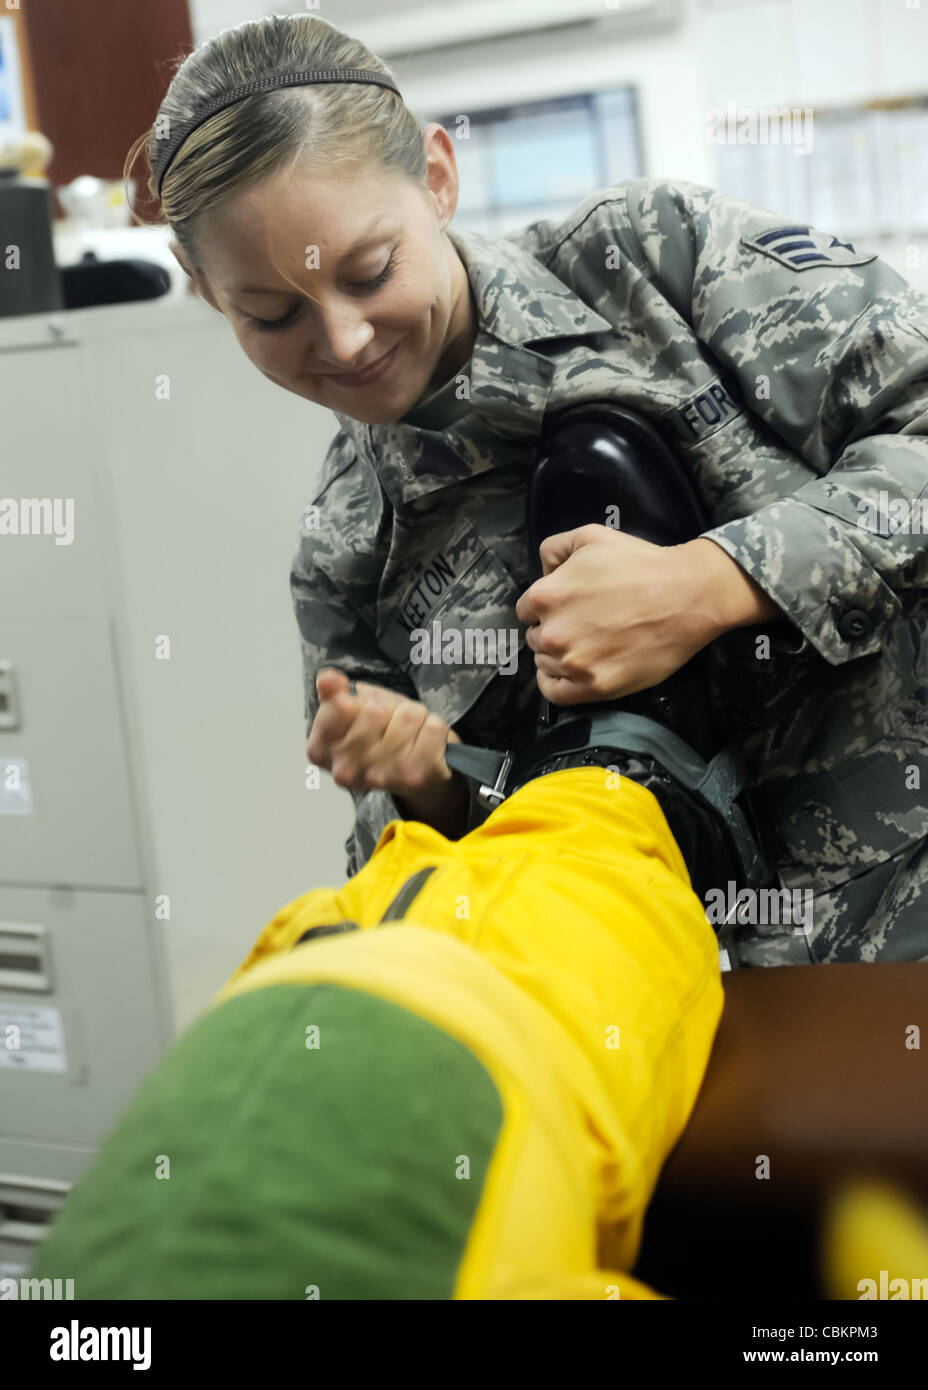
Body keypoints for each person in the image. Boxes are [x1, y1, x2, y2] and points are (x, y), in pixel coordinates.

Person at [123, 13, 928, 970]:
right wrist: (432, 785)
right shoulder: (347, 554)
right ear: (206, 291)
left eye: (371, 270)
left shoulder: (650, 265)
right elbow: (459, 893)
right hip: (672, 1020)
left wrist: (711, 585)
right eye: (272, 315)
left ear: (437, 178)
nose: (341, 341)